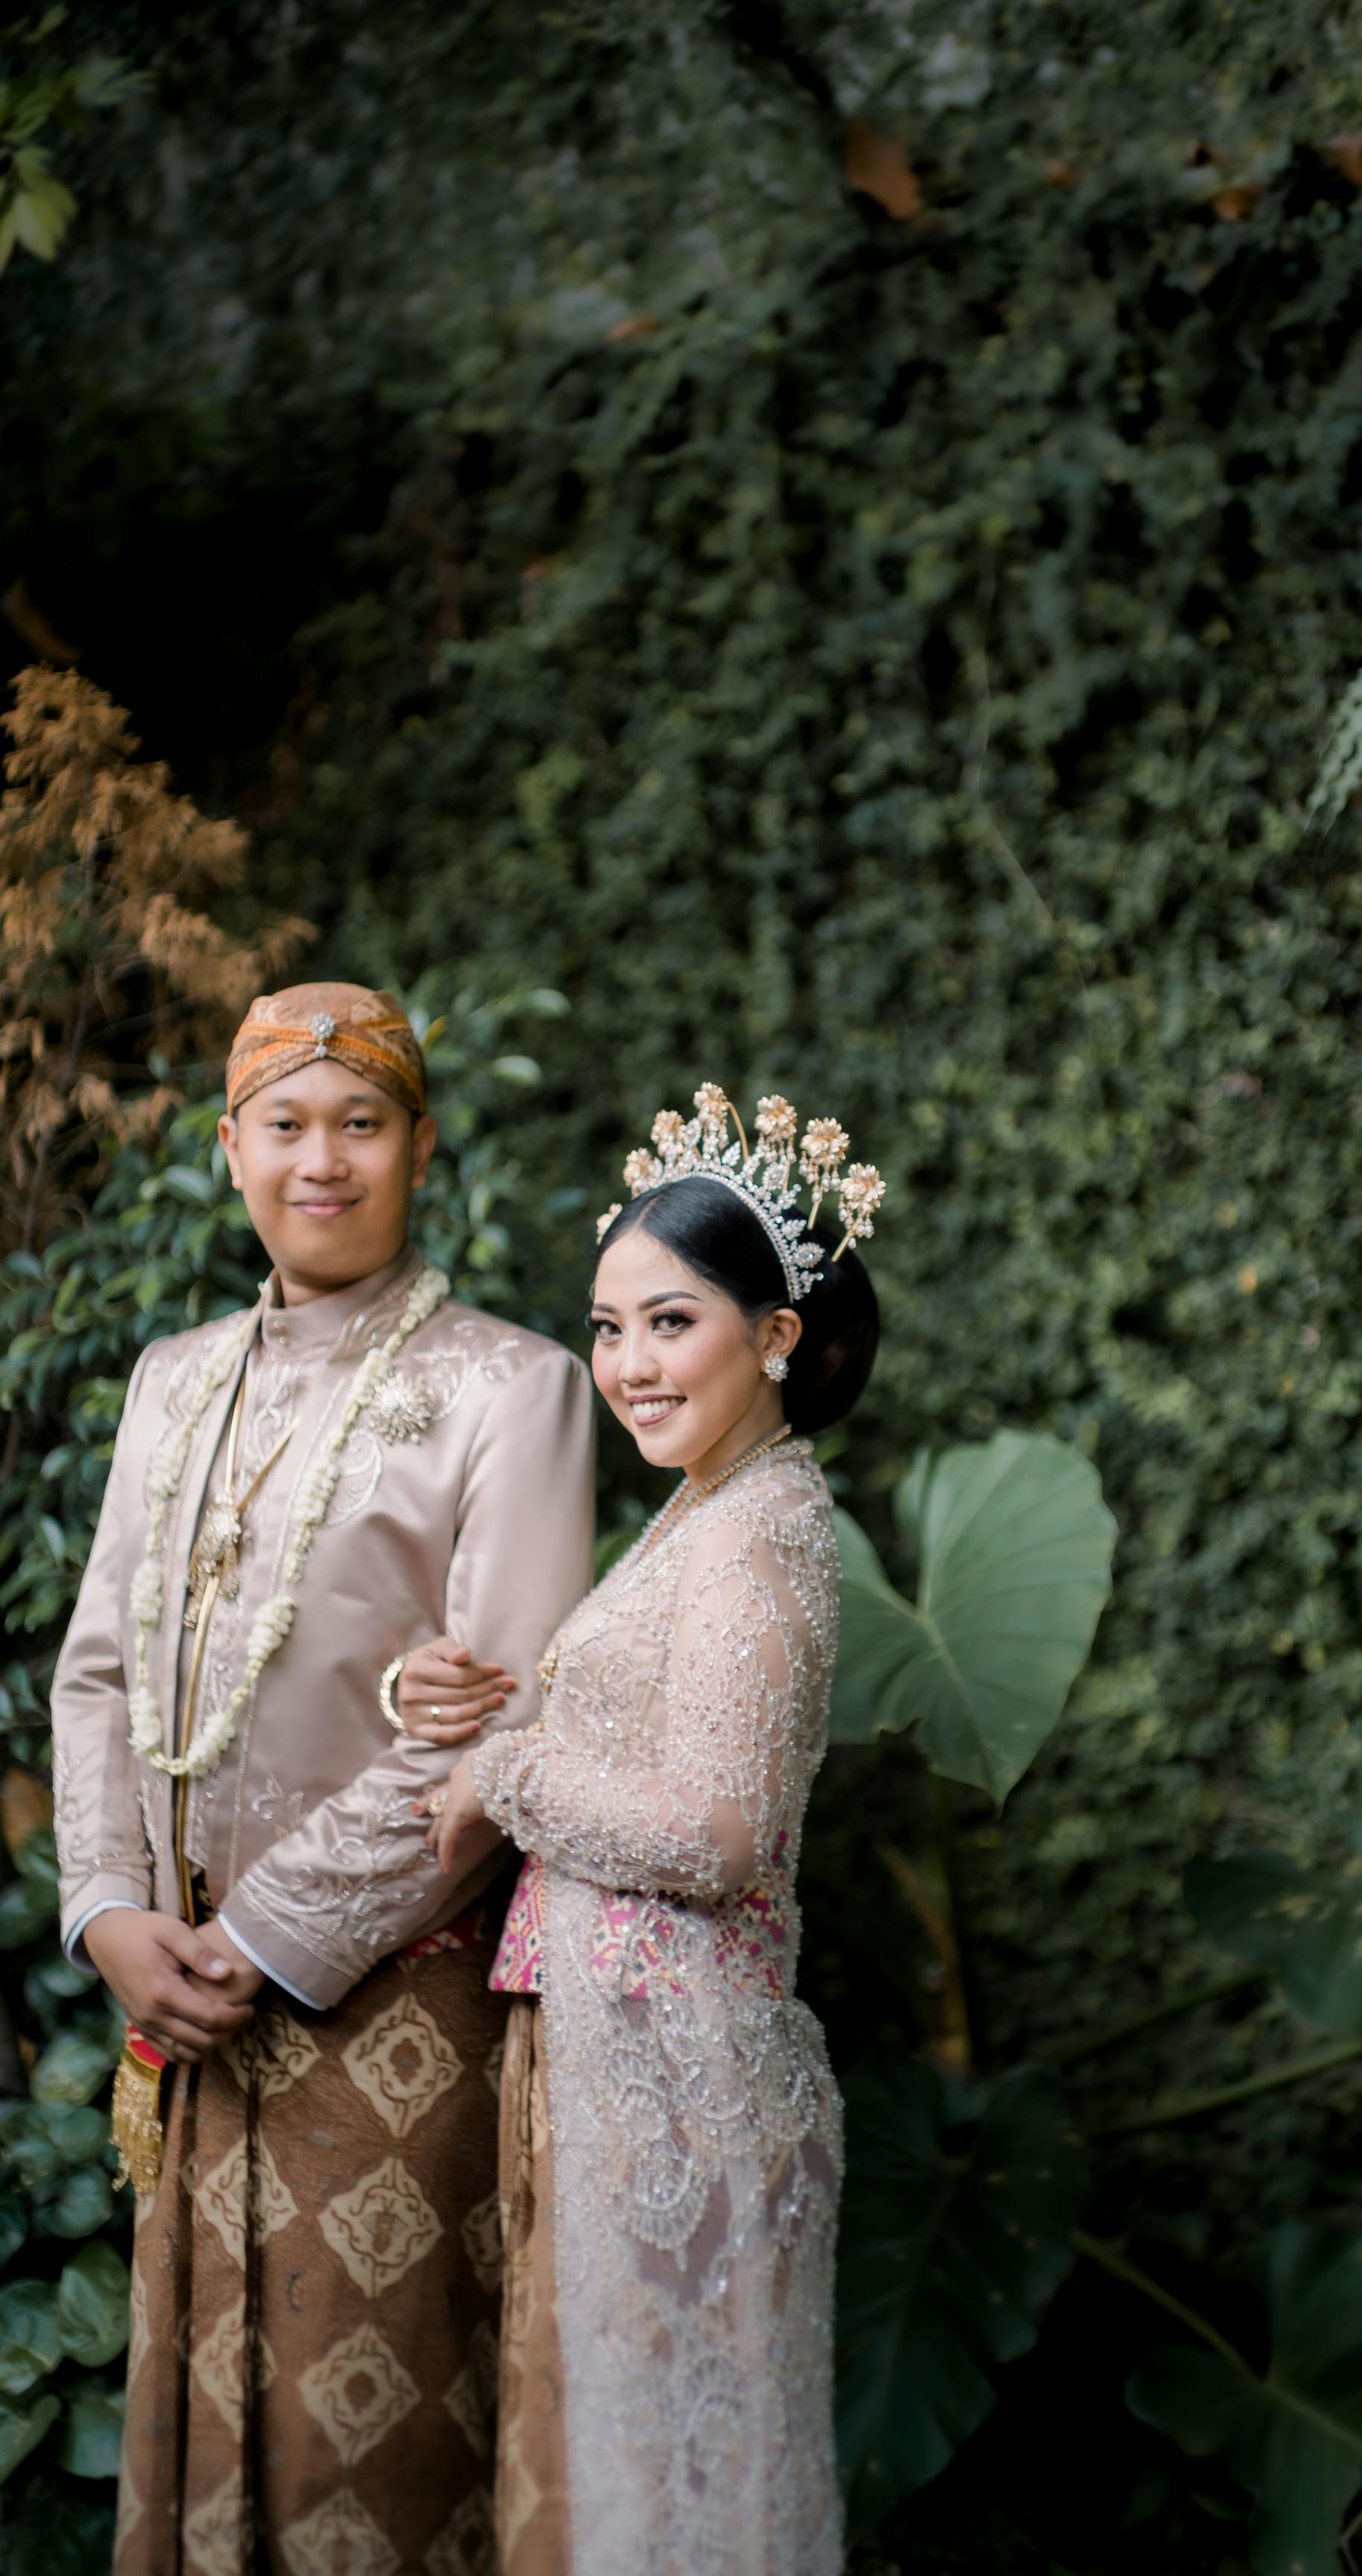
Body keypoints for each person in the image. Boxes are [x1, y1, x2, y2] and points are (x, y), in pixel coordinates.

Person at [49, 981, 594, 2576]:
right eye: (285, 1125)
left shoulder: (517, 1389)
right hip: (181, 2010)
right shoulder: (172, 1382)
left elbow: (493, 1732)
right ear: (230, 1152)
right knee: (195, 2442)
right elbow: (94, 1674)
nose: (323, 1161)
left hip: (384, 2017)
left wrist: (253, 1939)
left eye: (361, 1123)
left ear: (421, 1148)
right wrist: (111, 1919)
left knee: (374, 2470)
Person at [415, 1084, 884, 2576]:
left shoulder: (760, 1536)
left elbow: (718, 1830)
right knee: (642, 2485)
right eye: (608, 1328)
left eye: (670, 1322)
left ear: (779, 1334)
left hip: (680, 2066)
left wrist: (505, 1774)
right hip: (634, 2061)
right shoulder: (706, 1510)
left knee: (685, 2502)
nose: (626, 1364)